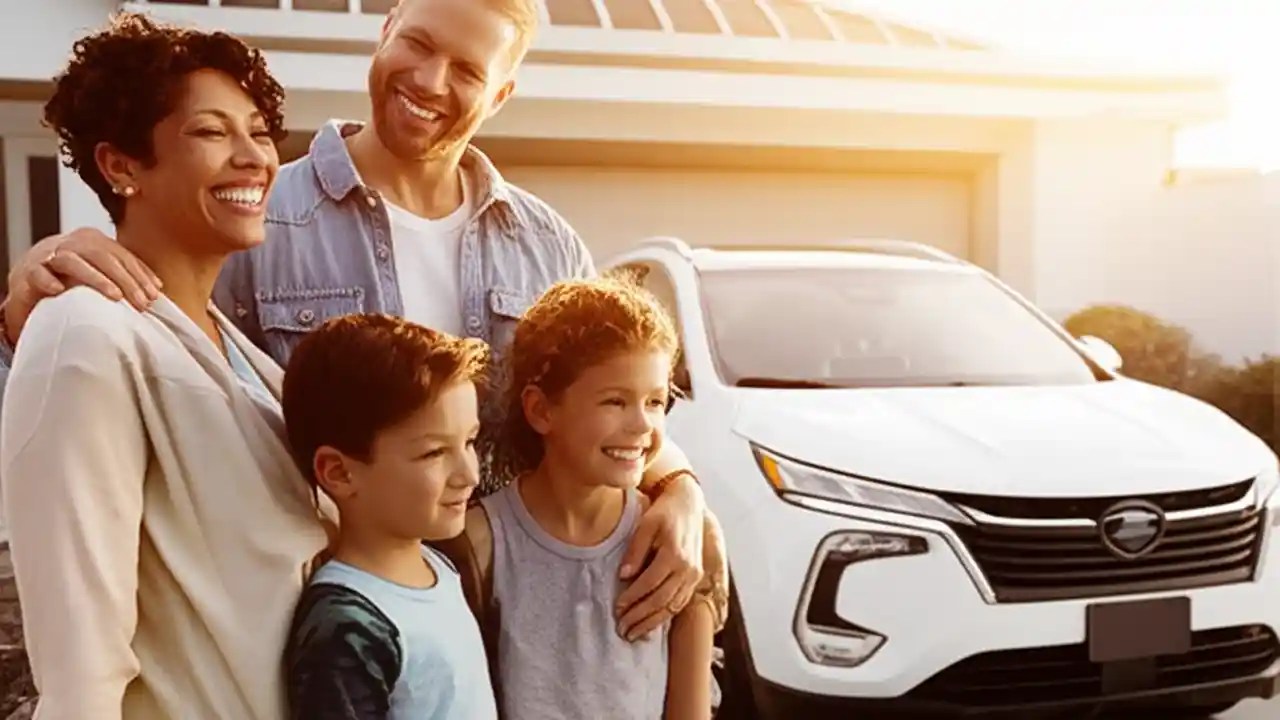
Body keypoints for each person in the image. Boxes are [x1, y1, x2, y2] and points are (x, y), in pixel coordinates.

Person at [2, 0, 726, 639]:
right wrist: (46, 281)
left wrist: (679, 484)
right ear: (385, 31)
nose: (431, 80)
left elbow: (602, 405)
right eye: (419, 43)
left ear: (500, 93)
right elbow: (131, 370)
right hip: (323, 630)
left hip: (516, 624)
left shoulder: (546, 246)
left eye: (468, 70)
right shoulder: (253, 218)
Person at [0, 13, 333, 720]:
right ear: (121, 166)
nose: (254, 158)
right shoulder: (85, 336)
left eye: (259, 132)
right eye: (211, 132)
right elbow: (80, 668)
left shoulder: (244, 357)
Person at [448, 276, 718, 720]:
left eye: (654, 402)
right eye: (615, 402)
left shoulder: (674, 545)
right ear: (541, 410)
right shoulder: (479, 546)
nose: (642, 425)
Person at [281, 314, 497, 720]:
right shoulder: (348, 627)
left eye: (469, 442)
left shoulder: (439, 565)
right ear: (339, 472)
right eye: (434, 453)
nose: (469, 474)